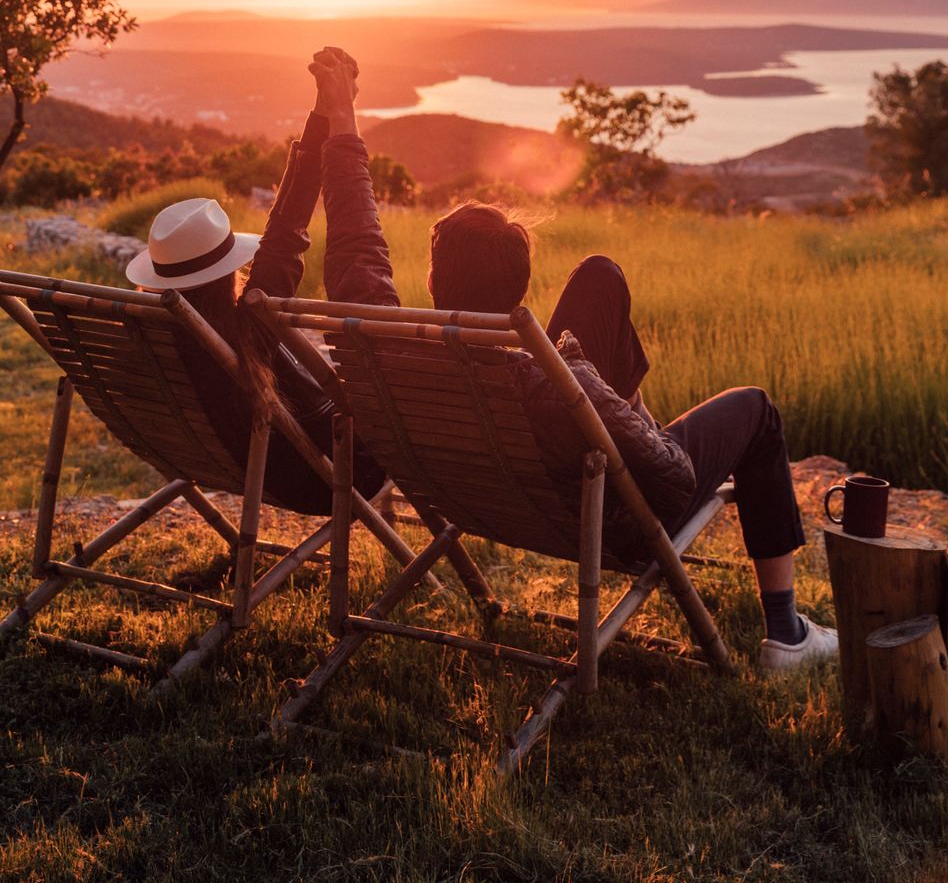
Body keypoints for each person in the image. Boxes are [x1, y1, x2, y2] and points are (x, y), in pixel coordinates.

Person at [311, 45, 838, 672]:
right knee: (756, 409)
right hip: (601, 517)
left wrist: (342, 120)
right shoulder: (552, 384)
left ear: (432, 283)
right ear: (519, 289)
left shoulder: (381, 342)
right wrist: (620, 413)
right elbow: (670, 477)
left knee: (598, 278)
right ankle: (786, 634)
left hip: (478, 491)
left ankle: (633, 428)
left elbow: (355, 234)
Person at [125, 68, 384, 513]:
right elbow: (287, 231)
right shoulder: (245, 330)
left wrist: (320, 119)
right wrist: (333, 118)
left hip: (242, 470)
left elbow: (287, 229)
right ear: (227, 267)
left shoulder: (157, 337)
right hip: (331, 474)